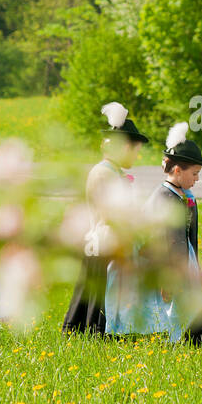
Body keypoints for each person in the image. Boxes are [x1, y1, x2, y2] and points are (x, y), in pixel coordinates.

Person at [106, 122, 202, 340]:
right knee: (172, 307)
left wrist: (196, 265)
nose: (197, 179)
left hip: (184, 259)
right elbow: (160, 242)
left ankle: (186, 338)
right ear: (178, 170)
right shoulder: (163, 198)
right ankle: (173, 340)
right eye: (195, 173)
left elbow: (191, 237)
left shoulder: (187, 197)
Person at [61, 102, 149, 335]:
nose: (136, 155)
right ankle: (92, 328)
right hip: (103, 239)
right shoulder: (103, 173)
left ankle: (104, 328)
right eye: (135, 150)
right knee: (98, 287)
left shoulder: (115, 173)